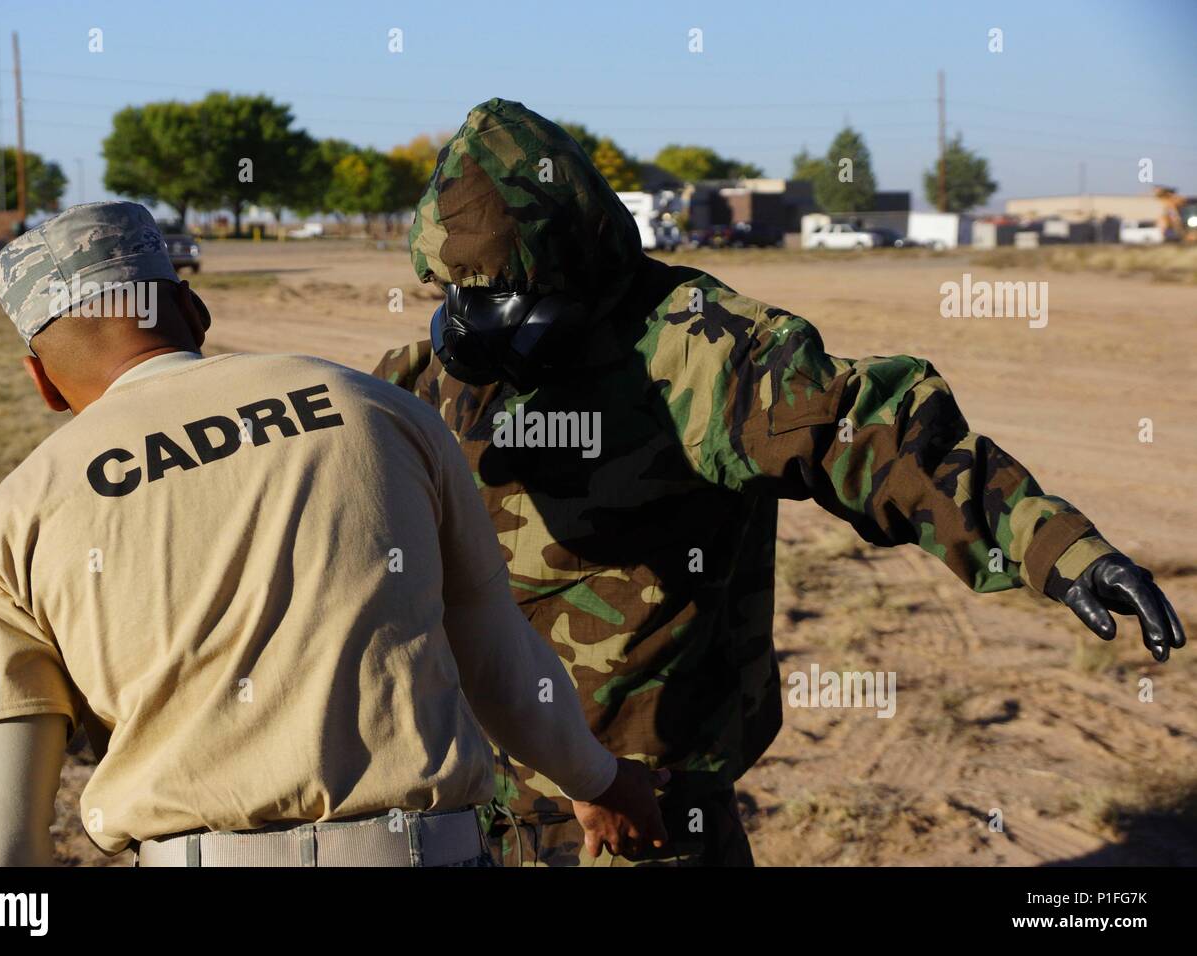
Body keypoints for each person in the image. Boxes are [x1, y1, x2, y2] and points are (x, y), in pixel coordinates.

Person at [373, 98, 1187, 866]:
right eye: (456, 295)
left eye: (496, 293)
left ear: (568, 267)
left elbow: (877, 434)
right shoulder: (432, 376)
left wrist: (1055, 544)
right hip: (478, 788)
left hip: (638, 804)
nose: (469, 317)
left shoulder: (698, 350)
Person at [0, 201, 667, 867]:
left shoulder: (1, 530)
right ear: (194, 309)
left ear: (42, 380)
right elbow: (495, 651)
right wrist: (597, 779)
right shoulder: (376, 409)